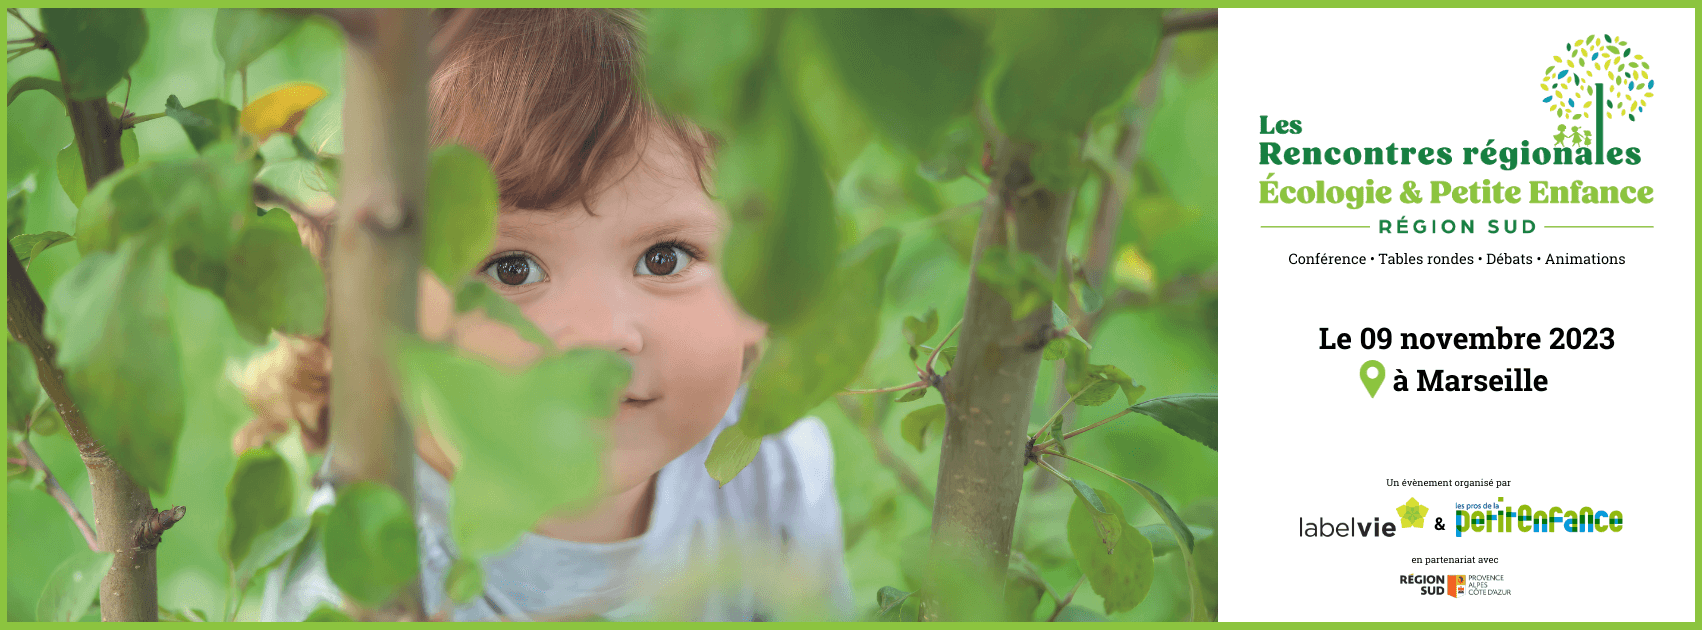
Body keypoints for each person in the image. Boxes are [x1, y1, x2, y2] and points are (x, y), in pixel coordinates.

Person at [241, 8, 852, 621]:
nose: (599, 334)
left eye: (664, 259)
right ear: (375, 304)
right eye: (512, 270)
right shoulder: (359, 579)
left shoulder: (772, 476)